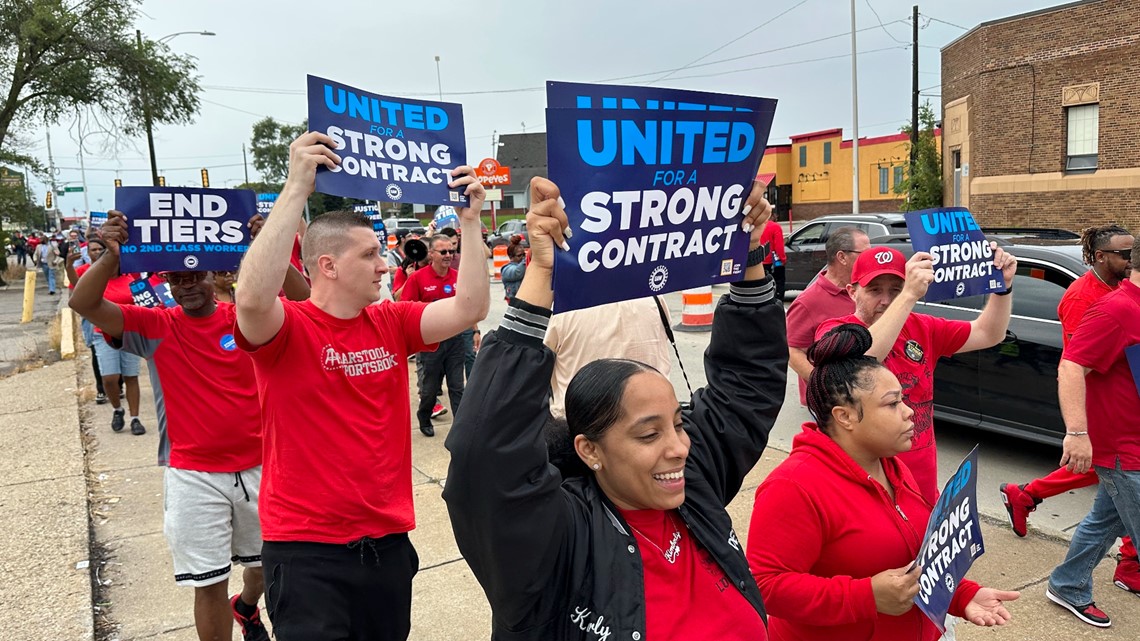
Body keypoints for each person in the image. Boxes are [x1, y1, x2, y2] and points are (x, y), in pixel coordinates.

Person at [445, 177, 784, 640]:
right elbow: (483, 455)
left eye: (679, 425)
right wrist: (541, 275)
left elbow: (746, 388)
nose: (679, 448)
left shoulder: (693, 484)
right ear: (590, 451)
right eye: (649, 435)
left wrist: (745, 254)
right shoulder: (555, 541)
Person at [234, 131, 489, 641]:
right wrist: (296, 188)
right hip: (306, 549)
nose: (384, 265)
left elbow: (470, 308)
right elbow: (252, 298)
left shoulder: (390, 322)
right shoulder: (288, 328)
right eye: (370, 255)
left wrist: (470, 219)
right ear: (326, 265)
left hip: (387, 542)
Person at [69, 211, 273, 641]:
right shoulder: (155, 326)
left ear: (214, 276)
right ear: (167, 283)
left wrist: (272, 241)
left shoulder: (246, 317)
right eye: (178, 279)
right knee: (208, 582)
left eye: (195, 276)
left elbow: (305, 301)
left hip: (261, 467)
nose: (188, 285)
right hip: (193, 474)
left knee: (265, 570)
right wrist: (111, 257)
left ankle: (248, 606)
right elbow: (83, 304)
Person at [748, 323, 1020, 640]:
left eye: (903, 400)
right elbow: (766, 585)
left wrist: (961, 595)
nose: (908, 412)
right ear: (845, 416)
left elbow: (913, 558)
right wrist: (865, 597)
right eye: (892, 404)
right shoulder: (794, 486)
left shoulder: (892, 466)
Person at [816, 246, 1016, 503]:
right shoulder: (835, 331)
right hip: (865, 487)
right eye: (875, 290)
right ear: (852, 292)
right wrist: (908, 295)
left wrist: (1003, 287)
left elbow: (988, 333)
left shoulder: (922, 327)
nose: (886, 300)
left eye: (895, 289)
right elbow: (862, 360)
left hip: (921, 485)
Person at [998, 224, 1139, 588]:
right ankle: (1127, 563)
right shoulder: (1085, 297)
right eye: (1124, 253)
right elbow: (1078, 361)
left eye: (1131, 252)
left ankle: (1029, 497)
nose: (1129, 260)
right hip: (1095, 400)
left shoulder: (1120, 291)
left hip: (1120, 408)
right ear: (1100, 256)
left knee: (1110, 487)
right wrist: (1079, 430)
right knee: (1109, 472)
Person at [1045, 237, 1140, 628]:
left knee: (1104, 521)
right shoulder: (1116, 309)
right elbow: (1071, 366)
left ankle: (1067, 585)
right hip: (1123, 450)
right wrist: (1077, 433)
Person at [544, 296, 673, 420]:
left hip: (583, 421)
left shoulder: (563, 306)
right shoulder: (652, 297)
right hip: (651, 417)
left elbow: (537, 358)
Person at [785, 227, 870, 406]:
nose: (869, 259)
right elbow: (792, 351)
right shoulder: (808, 301)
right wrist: (827, 386)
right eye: (865, 253)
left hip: (868, 394)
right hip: (832, 403)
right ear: (842, 257)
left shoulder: (865, 290)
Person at [400, 234, 468, 437]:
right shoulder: (417, 279)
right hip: (429, 343)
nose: (448, 255)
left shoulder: (458, 277)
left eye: (451, 251)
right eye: (443, 252)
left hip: (455, 340)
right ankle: (424, 415)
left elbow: (467, 306)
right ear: (431, 254)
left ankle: (460, 428)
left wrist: (474, 330)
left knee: (457, 387)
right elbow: (405, 310)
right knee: (429, 389)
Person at [66, 238, 107, 404]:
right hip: (91, 319)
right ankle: (101, 388)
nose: (97, 252)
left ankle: (116, 384)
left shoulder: (115, 270)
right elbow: (75, 287)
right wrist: (69, 266)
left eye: (100, 249)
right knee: (96, 353)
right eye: (93, 250)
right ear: (87, 253)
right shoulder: (83, 270)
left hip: (112, 316)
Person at [759, 217, 786, 299]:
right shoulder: (775, 227)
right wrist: (783, 259)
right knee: (779, 283)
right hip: (774, 262)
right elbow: (779, 246)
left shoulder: (757, 227)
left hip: (760, 262)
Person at [500, 235, 526, 301]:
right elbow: (517, 272)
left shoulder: (524, 265)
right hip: (515, 303)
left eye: (524, 254)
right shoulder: (506, 269)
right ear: (511, 257)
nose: (523, 257)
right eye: (520, 255)